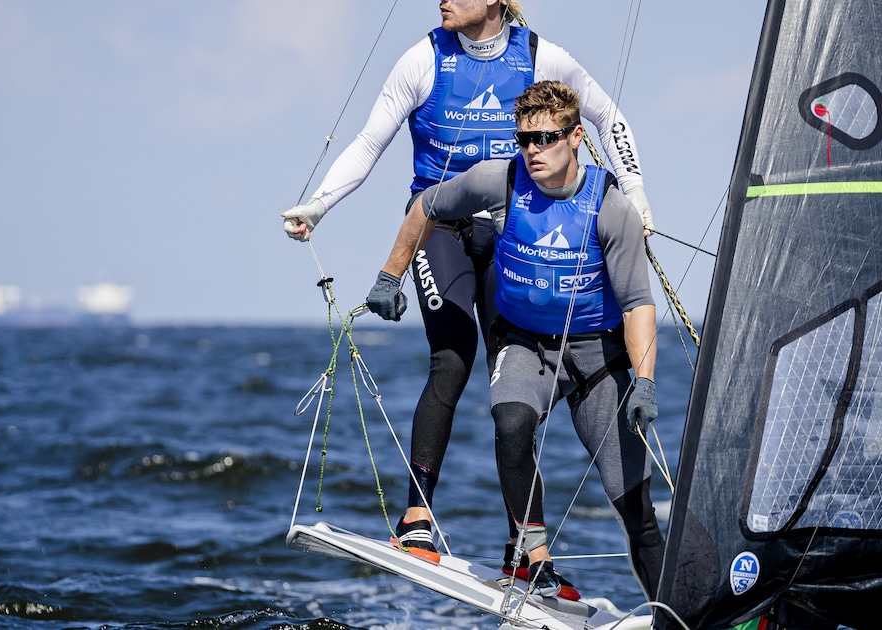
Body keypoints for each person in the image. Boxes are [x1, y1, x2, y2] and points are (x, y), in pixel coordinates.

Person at [280, 0, 656, 595]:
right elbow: (368, 141)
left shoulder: (539, 55)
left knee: (513, 394)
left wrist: (631, 191)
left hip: (511, 232)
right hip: (440, 232)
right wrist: (320, 204)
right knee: (451, 361)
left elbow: (609, 119)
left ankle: (523, 547)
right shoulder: (422, 60)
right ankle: (416, 518)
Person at [365, 80, 663, 601]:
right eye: (523, 138)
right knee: (510, 422)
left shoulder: (611, 208)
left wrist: (644, 381)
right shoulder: (501, 179)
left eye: (545, 138)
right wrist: (390, 275)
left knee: (635, 510)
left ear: (575, 138)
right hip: (525, 344)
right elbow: (427, 205)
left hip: (597, 358)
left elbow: (638, 303)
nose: (532, 150)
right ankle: (534, 557)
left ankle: (689, 612)